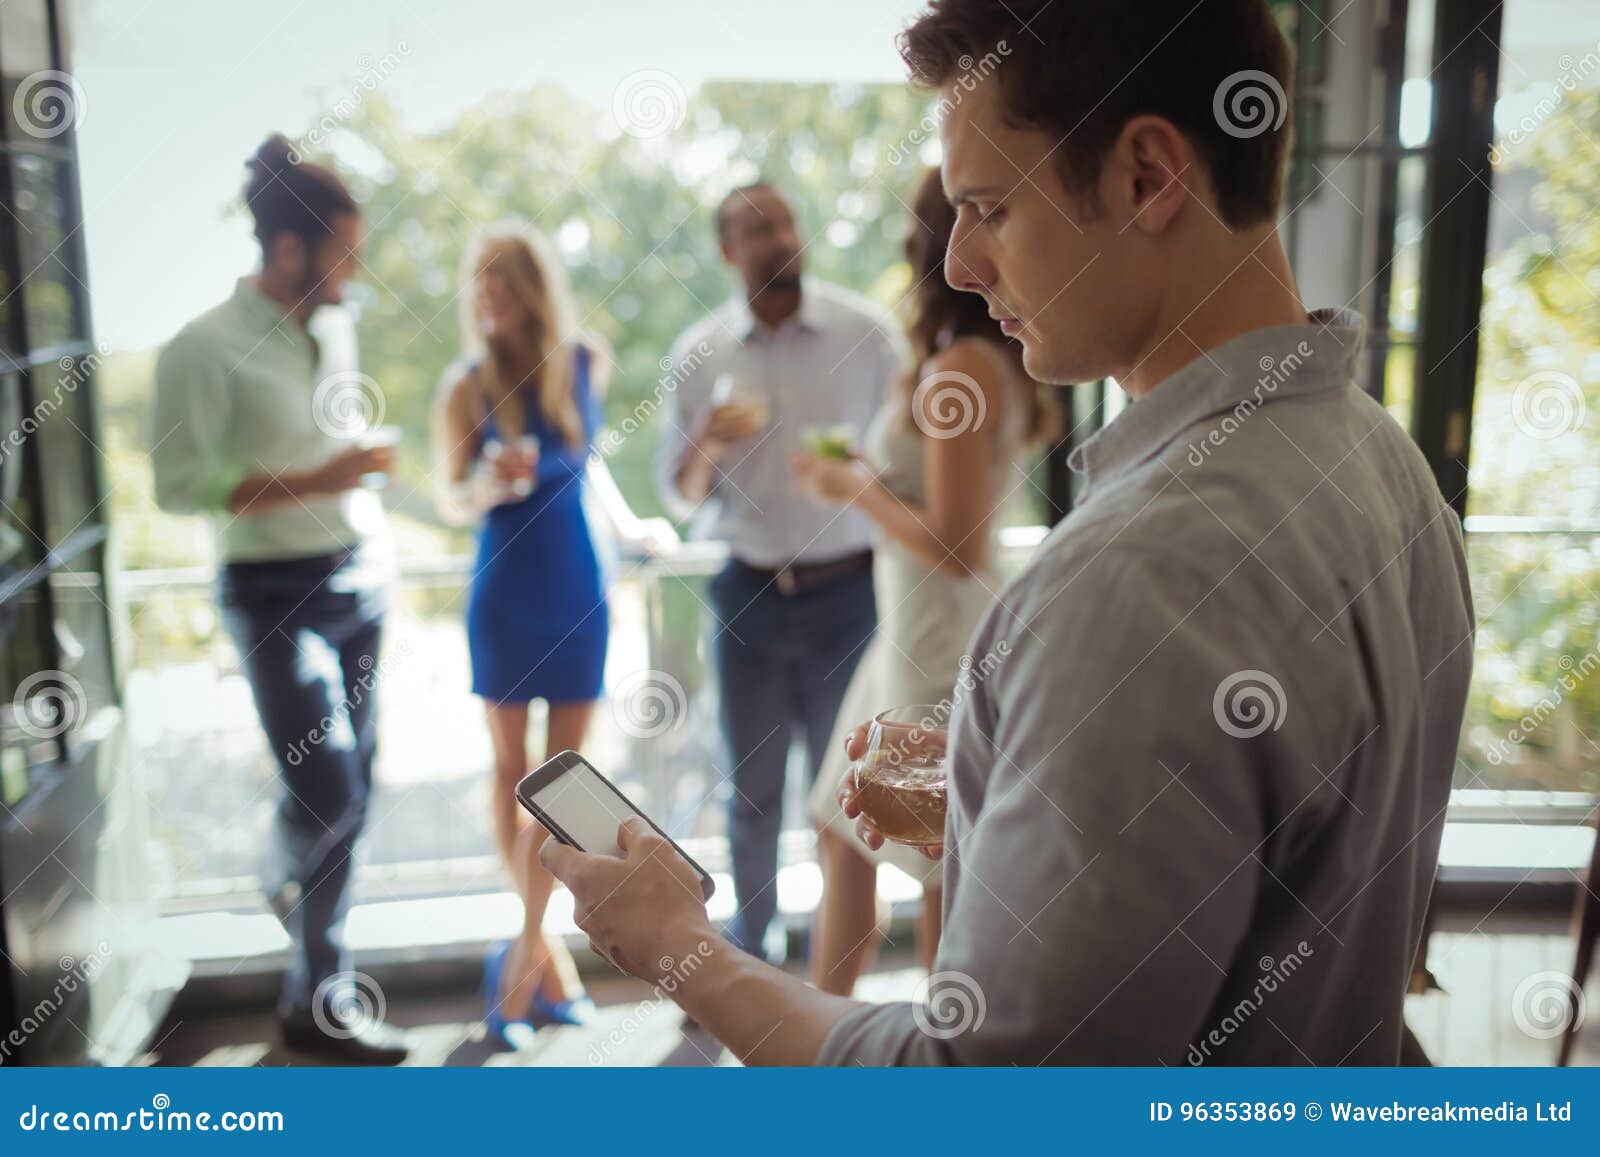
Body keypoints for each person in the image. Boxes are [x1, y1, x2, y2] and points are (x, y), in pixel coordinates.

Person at [543, 0, 1475, 1066]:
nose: (961, 266)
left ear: (1147, 176)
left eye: (988, 207)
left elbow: (979, 1094)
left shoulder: (1131, 583)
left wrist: (678, 947)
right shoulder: (1390, 470)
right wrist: (1025, 777)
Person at [151, 135, 408, 1063]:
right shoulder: (200, 347)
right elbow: (178, 486)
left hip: (358, 576)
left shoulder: (335, 326)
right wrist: (320, 475)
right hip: (269, 590)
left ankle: (317, 1001)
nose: (357, 269)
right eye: (344, 251)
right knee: (327, 783)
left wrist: (348, 470)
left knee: (357, 791)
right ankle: (279, 872)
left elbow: (325, 448)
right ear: (292, 249)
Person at [794, 167, 1054, 994]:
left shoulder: (964, 370)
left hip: (940, 634)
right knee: (842, 827)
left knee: (943, 860)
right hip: (905, 627)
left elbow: (959, 544)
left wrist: (853, 489)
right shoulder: (968, 360)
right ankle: (823, 1039)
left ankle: (949, 1055)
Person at [432, 225, 674, 1042]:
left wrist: (633, 524)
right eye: (479, 284)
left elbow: (589, 459)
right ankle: (543, 964)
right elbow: (449, 498)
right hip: (503, 583)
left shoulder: (583, 362)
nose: (487, 298)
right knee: (511, 772)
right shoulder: (465, 384)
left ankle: (522, 962)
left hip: (577, 580)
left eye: (502, 283)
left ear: (534, 290)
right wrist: (483, 483)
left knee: (564, 780)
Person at [654, 183, 905, 961]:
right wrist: (705, 442)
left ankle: (838, 967)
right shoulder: (698, 356)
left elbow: (907, 465)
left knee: (848, 794)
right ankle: (748, 955)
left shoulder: (870, 336)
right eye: (758, 231)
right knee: (753, 795)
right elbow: (678, 491)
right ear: (730, 253)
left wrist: (861, 476)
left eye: (787, 223)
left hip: (851, 595)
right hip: (748, 599)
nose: (779, 240)